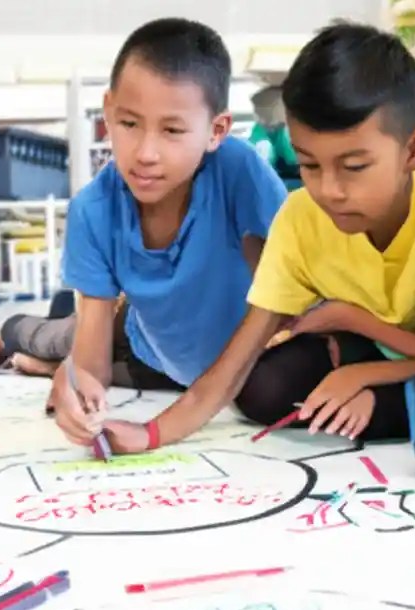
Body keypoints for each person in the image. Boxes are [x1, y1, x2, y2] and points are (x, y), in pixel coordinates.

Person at [93, 21, 415, 452]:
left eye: (355, 167)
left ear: (414, 150)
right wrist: (152, 434)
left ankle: (382, 402)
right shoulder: (301, 218)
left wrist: (362, 373)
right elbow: (235, 361)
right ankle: (382, 400)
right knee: (261, 390)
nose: (329, 191)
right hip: (370, 350)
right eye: (309, 165)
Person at [50, 18, 288, 445]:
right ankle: (17, 334)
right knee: (60, 337)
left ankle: (30, 341)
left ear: (216, 131)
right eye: (128, 124)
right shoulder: (92, 211)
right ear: (107, 111)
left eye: (173, 130)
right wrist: (76, 388)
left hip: (225, 355)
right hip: (154, 351)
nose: (145, 154)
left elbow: (293, 285)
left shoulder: (238, 171)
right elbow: (90, 365)